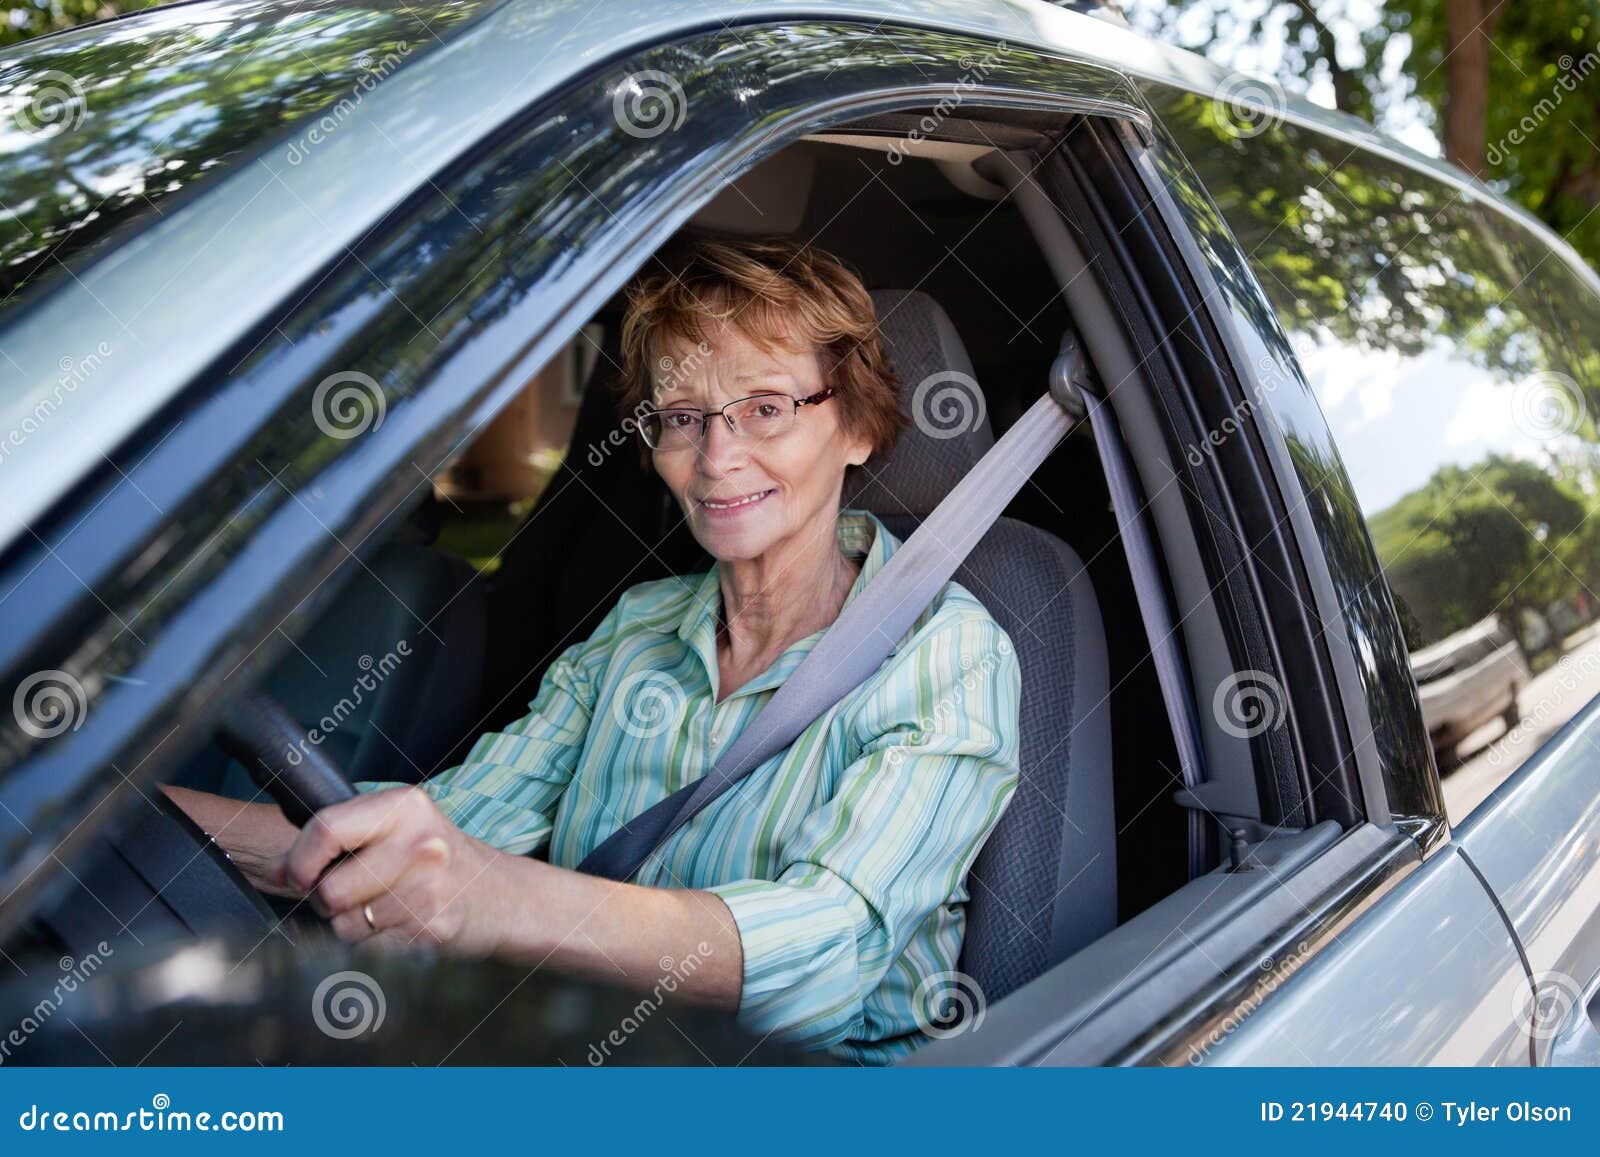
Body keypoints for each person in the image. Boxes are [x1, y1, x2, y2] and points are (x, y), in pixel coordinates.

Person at [168, 236, 1021, 1064]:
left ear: (859, 425)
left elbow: (825, 953)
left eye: (765, 407)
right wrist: (121, 815)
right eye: (683, 417)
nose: (719, 457)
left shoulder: (945, 654)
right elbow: (446, 829)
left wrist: (496, 898)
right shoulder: (639, 628)